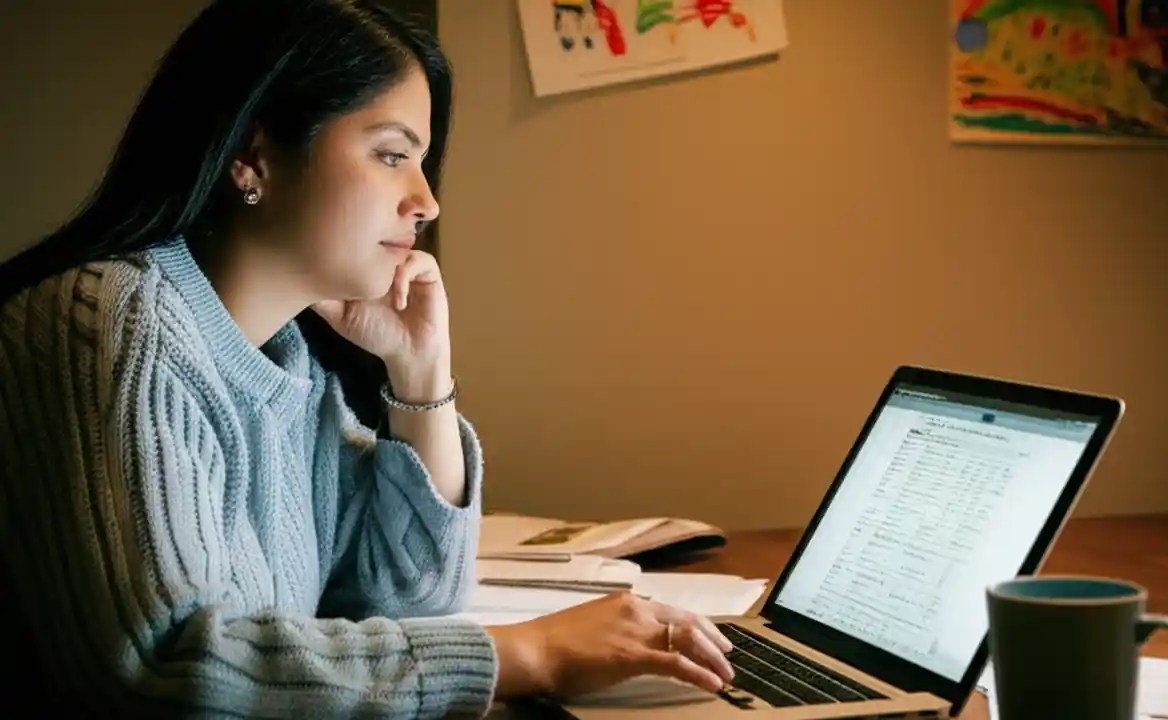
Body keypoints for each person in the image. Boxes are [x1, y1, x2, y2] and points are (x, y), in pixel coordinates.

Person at [0, 0, 734, 716]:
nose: (427, 201)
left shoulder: (290, 367)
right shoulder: (113, 319)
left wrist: (421, 372)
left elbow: (412, 597)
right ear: (253, 156)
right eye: (391, 155)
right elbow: (167, 665)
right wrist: (531, 654)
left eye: (421, 162)